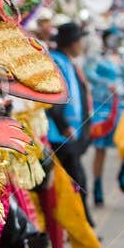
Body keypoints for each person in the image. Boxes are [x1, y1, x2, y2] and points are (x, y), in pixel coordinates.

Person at [47, 20, 93, 218]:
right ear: (71, 43)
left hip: (71, 134)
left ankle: (82, 222)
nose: (82, 45)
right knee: (76, 181)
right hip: (61, 135)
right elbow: (53, 96)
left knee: (76, 180)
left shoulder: (67, 61)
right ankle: (82, 223)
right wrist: (64, 125)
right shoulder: (56, 62)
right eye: (79, 41)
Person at [83, 28, 124, 208]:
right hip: (102, 104)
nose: (116, 42)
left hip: (122, 104)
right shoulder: (97, 56)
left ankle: (123, 172)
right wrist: (106, 84)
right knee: (100, 148)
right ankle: (97, 186)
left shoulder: (123, 56)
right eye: (113, 38)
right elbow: (89, 73)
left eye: (119, 39)